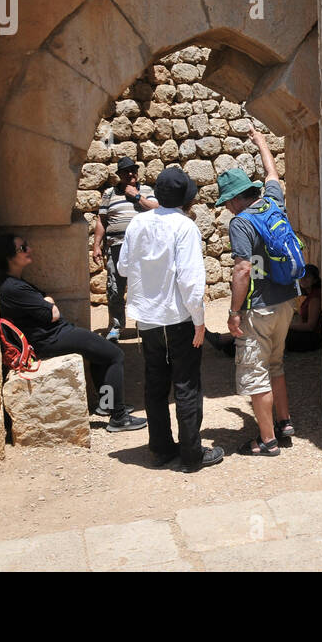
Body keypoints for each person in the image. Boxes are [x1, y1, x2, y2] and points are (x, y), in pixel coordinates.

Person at [117, 167, 225, 472]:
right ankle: (192, 455)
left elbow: (124, 267)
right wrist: (200, 321)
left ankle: (161, 449)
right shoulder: (184, 227)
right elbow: (191, 282)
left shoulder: (137, 223)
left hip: (148, 319)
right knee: (187, 385)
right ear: (186, 198)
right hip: (179, 318)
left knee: (155, 384)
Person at [0, 233, 146, 433]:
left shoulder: (14, 283)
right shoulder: (13, 288)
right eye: (23, 248)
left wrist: (46, 301)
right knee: (114, 354)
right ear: (9, 256)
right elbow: (53, 313)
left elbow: (46, 302)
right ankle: (118, 416)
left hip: (54, 333)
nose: (29, 249)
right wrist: (48, 302)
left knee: (101, 353)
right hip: (50, 338)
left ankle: (107, 404)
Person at [217, 127, 300, 457]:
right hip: (286, 300)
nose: (227, 210)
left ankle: (266, 440)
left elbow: (243, 269)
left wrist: (234, 312)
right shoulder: (272, 202)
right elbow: (272, 173)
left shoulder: (241, 223)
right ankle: (285, 421)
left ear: (237, 198)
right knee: (276, 363)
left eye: (227, 203)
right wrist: (262, 141)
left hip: (259, 308)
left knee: (255, 371)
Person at [92, 156, 157, 342]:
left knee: (144, 287)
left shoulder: (146, 190)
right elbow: (101, 221)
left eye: (133, 170)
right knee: (114, 288)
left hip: (142, 249)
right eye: (126, 171)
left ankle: (144, 325)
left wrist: (136, 196)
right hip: (116, 247)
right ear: (119, 175)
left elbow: (156, 209)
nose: (130, 174)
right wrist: (96, 245)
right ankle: (115, 326)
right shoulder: (109, 194)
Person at [285, 265, 322, 353]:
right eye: (301, 276)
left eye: (307, 276)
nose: (303, 278)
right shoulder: (310, 295)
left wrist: (288, 326)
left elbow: (310, 326)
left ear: (315, 280)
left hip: (314, 339)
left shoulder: (315, 298)